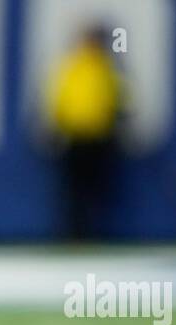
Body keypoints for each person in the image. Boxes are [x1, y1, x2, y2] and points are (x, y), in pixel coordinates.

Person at [44, 25, 124, 239]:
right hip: (75, 139)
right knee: (73, 191)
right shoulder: (73, 67)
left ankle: (95, 234)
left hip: (99, 139)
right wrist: (55, 126)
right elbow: (61, 99)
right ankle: (73, 234)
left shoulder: (106, 69)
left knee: (98, 190)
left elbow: (117, 99)